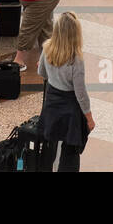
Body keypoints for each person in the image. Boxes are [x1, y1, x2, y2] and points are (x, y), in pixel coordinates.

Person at [37, 11, 93, 172]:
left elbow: (42, 73)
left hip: (52, 102)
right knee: (71, 151)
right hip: (70, 109)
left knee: (49, 146)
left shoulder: (47, 47)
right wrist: (89, 117)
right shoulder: (76, 59)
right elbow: (80, 93)